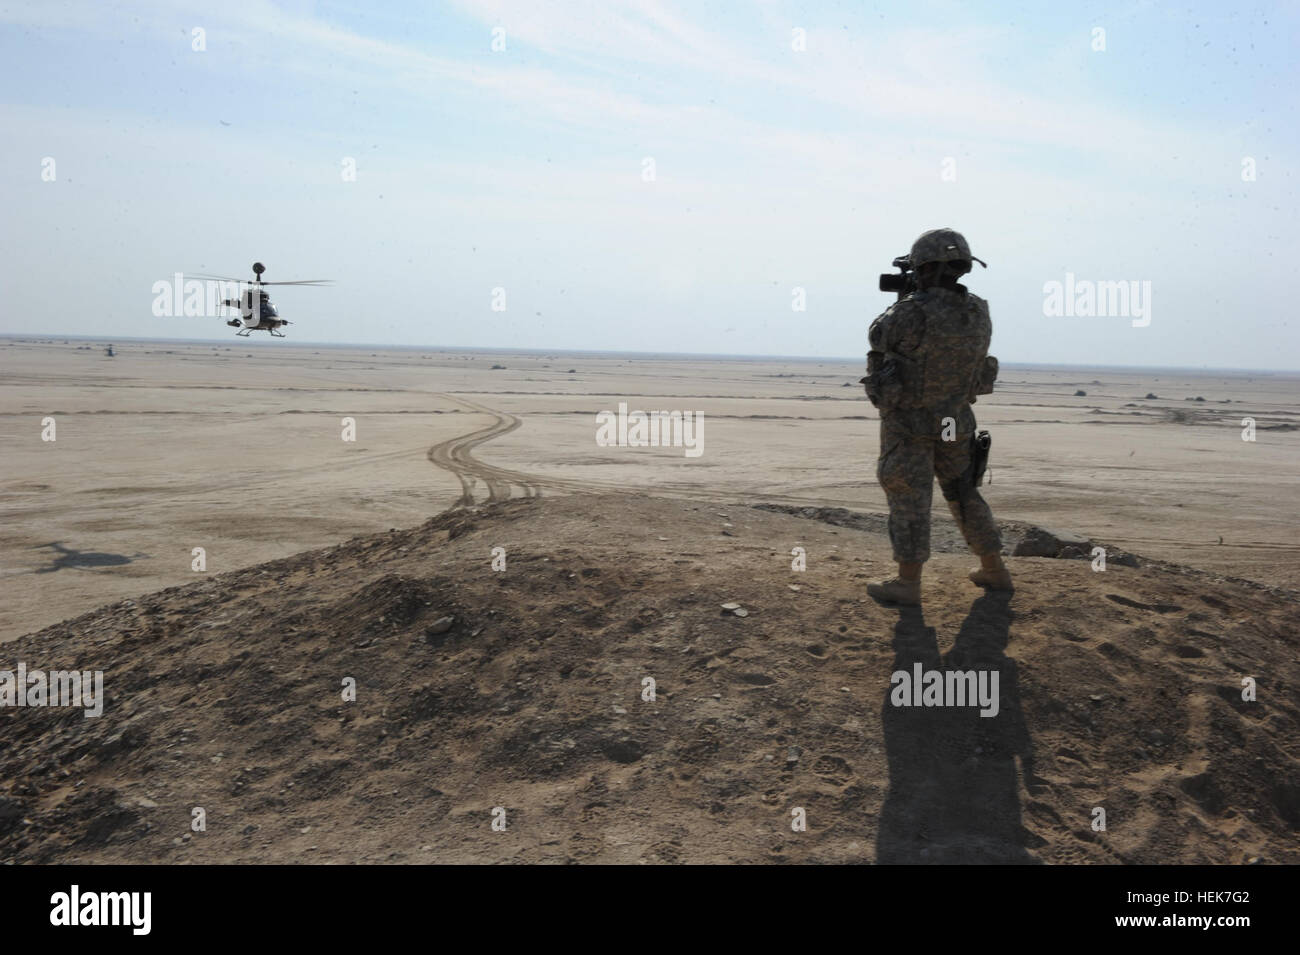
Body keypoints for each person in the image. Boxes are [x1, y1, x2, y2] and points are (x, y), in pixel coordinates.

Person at [863, 228, 1012, 605]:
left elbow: (879, 336)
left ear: (924, 267)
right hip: (954, 423)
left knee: (909, 498)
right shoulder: (978, 310)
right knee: (963, 493)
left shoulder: (911, 310)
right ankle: (994, 569)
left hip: (912, 424)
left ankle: (907, 584)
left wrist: (907, 296)